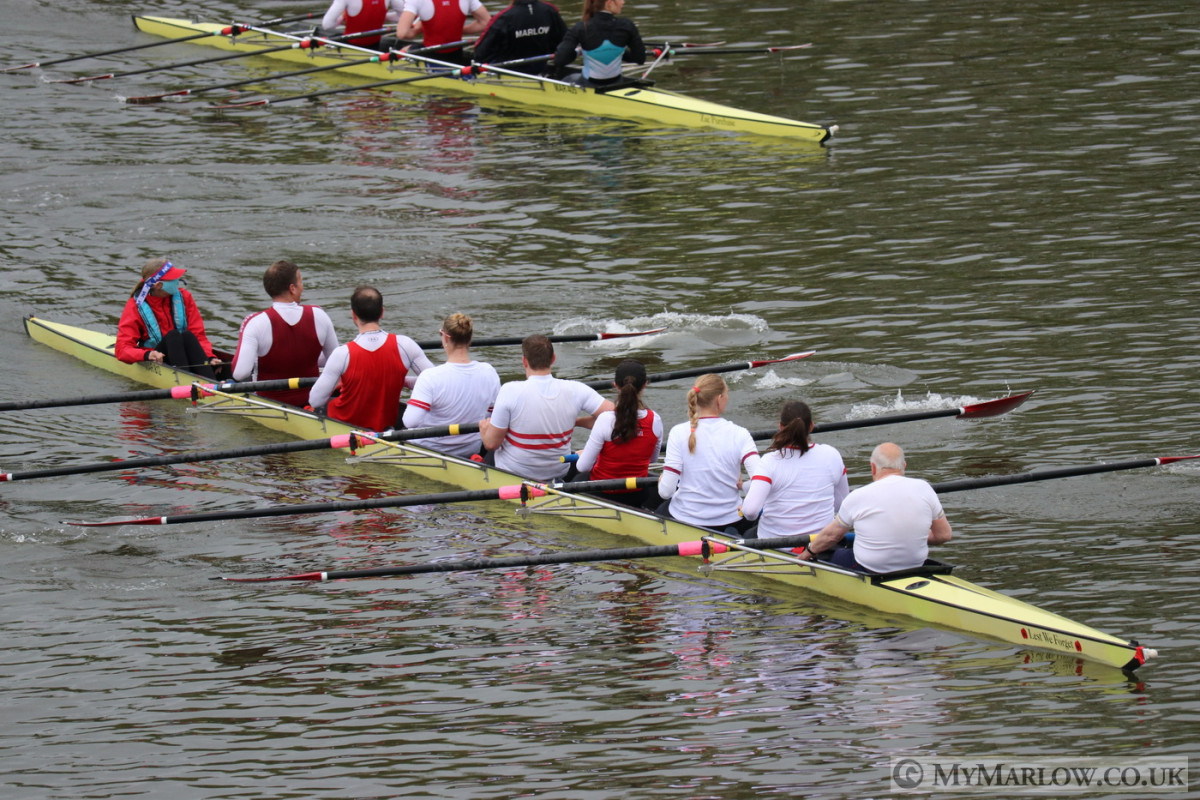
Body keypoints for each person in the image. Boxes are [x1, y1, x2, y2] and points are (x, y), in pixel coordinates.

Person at [801, 442, 953, 573]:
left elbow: (831, 536)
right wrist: (911, 536)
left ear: (873, 468)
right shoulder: (925, 488)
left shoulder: (858, 496)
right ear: (904, 466)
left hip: (871, 569)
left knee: (830, 551)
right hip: (915, 565)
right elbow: (943, 535)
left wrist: (806, 555)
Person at [480, 334, 613, 480]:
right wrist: (578, 421)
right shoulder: (577, 389)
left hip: (515, 474)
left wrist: (484, 431)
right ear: (553, 359)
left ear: (524, 361)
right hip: (559, 471)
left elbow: (491, 444)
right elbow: (618, 416)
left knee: (489, 451)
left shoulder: (509, 390)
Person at [308, 285, 434, 431]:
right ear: (382, 312)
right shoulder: (405, 345)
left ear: (353, 315)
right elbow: (436, 382)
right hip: (385, 425)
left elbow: (315, 400)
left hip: (345, 425)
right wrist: (404, 381)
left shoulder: (342, 354)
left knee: (314, 406)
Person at [657, 374, 760, 533]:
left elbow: (666, 492)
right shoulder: (740, 434)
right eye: (727, 394)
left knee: (659, 506)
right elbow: (761, 482)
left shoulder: (678, 432)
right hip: (731, 519)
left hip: (685, 518)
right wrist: (743, 486)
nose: (728, 398)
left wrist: (662, 479)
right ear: (719, 399)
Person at [231, 260, 339, 407]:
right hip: (311, 403)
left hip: (268, 404)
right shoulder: (319, 315)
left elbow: (239, 374)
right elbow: (336, 363)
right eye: (301, 281)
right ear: (292, 288)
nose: (303, 287)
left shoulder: (255, 323)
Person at [740, 400, 849, 542]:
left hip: (776, 545)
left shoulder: (769, 461)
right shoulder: (832, 454)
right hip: (821, 542)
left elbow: (750, 512)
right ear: (811, 426)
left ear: (780, 427)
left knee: (746, 533)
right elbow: (841, 504)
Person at [401, 312, 500, 459]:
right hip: (471, 448)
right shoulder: (489, 372)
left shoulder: (430, 377)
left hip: (429, 450)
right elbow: (492, 416)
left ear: (446, 338)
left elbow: (410, 422)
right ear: (470, 338)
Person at [575, 359, 662, 507]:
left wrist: (584, 455)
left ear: (615, 385)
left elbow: (583, 467)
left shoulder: (605, 420)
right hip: (637, 495)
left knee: (577, 477)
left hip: (602, 493)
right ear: (645, 384)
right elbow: (652, 460)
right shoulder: (655, 420)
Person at [115, 258, 221, 379]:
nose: (178, 281)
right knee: (173, 336)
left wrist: (209, 356)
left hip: (181, 355)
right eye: (173, 279)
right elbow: (122, 350)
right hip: (157, 356)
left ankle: (210, 380)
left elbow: (198, 335)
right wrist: (147, 354)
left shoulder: (185, 297)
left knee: (187, 335)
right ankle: (188, 381)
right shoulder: (135, 306)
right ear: (159, 285)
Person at [551, 0, 645, 87]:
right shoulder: (627, 26)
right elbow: (640, 58)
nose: (623, 2)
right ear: (609, 3)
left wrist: (578, 52)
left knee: (568, 78)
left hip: (589, 85)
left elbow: (560, 60)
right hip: (616, 84)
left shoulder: (580, 27)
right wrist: (617, 51)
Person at [471, 0, 567, 74]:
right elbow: (565, 43)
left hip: (509, 74)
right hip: (541, 68)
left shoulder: (504, 17)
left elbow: (480, 54)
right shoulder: (550, 11)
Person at [395, 0, 492, 65]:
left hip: (429, 55)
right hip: (455, 55)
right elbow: (486, 22)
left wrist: (417, 30)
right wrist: (456, 29)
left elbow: (402, 33)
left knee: (404, 49)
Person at [320, 0, 405, 48]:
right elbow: (405, 17)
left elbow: (327, 25)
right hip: (374, 45)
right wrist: (380, 16)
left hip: (351, 44)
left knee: (332, 36)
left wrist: (342, 17)